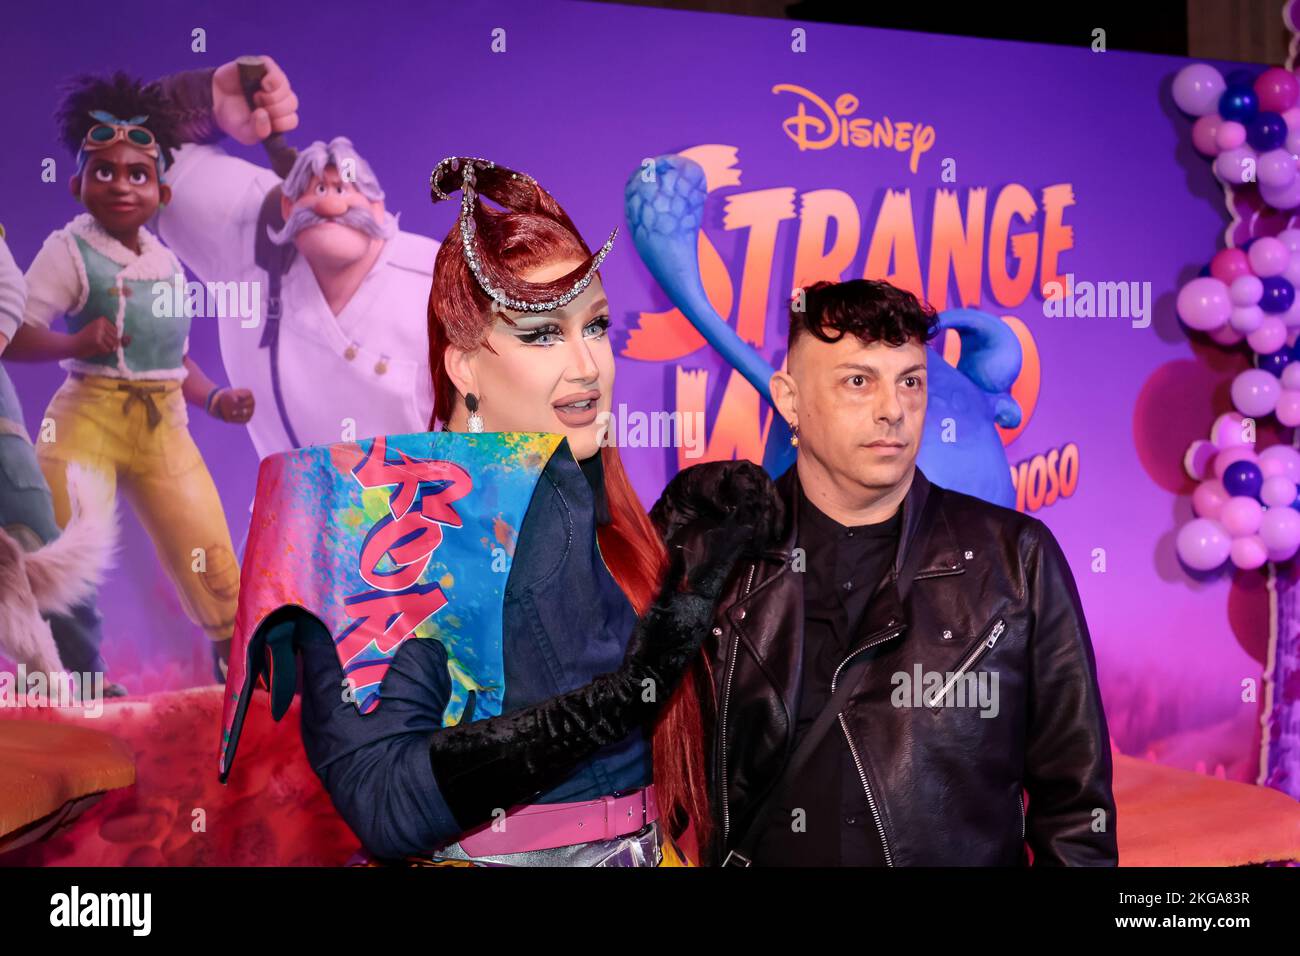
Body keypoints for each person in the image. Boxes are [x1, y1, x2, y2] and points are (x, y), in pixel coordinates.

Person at [219, 156, 775, 866]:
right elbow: (383, 799)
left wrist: (675, 551)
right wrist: (605, 707)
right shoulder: (398, 524)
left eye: (596, 326)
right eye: (541, 333)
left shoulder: (578, 494)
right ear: (464, 368)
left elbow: (563, 637)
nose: (587, 365)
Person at [651, 278, 1117, 866]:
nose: (892, 409)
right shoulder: (722, 559)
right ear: (790, 401)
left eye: (911, 382)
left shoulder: (1015, 560)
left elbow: (1076, 810)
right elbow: (649, 774)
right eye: (857, 381)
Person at [5, 73, 255, 679]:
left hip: (163, 425)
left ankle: (241, 675)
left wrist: (216, 398)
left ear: (161, 191)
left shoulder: (168, 263)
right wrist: (77, 340)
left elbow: (174, 357)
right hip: (85, 419)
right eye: (105, 172)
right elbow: (12, 335)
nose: (121, 185)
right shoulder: (69, 251)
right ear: (77, 184)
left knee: (211, 557)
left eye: (138, 173)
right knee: (66, 554)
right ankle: (74, 685)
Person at [148, 57, 438, 460]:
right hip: (293, 518)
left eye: (347, 188)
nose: (332, 202)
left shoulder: (448, 288)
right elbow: (121, 147)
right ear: (287, 204)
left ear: (378, 206)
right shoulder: (248, 224)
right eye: (317, 187)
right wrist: (205, 100)